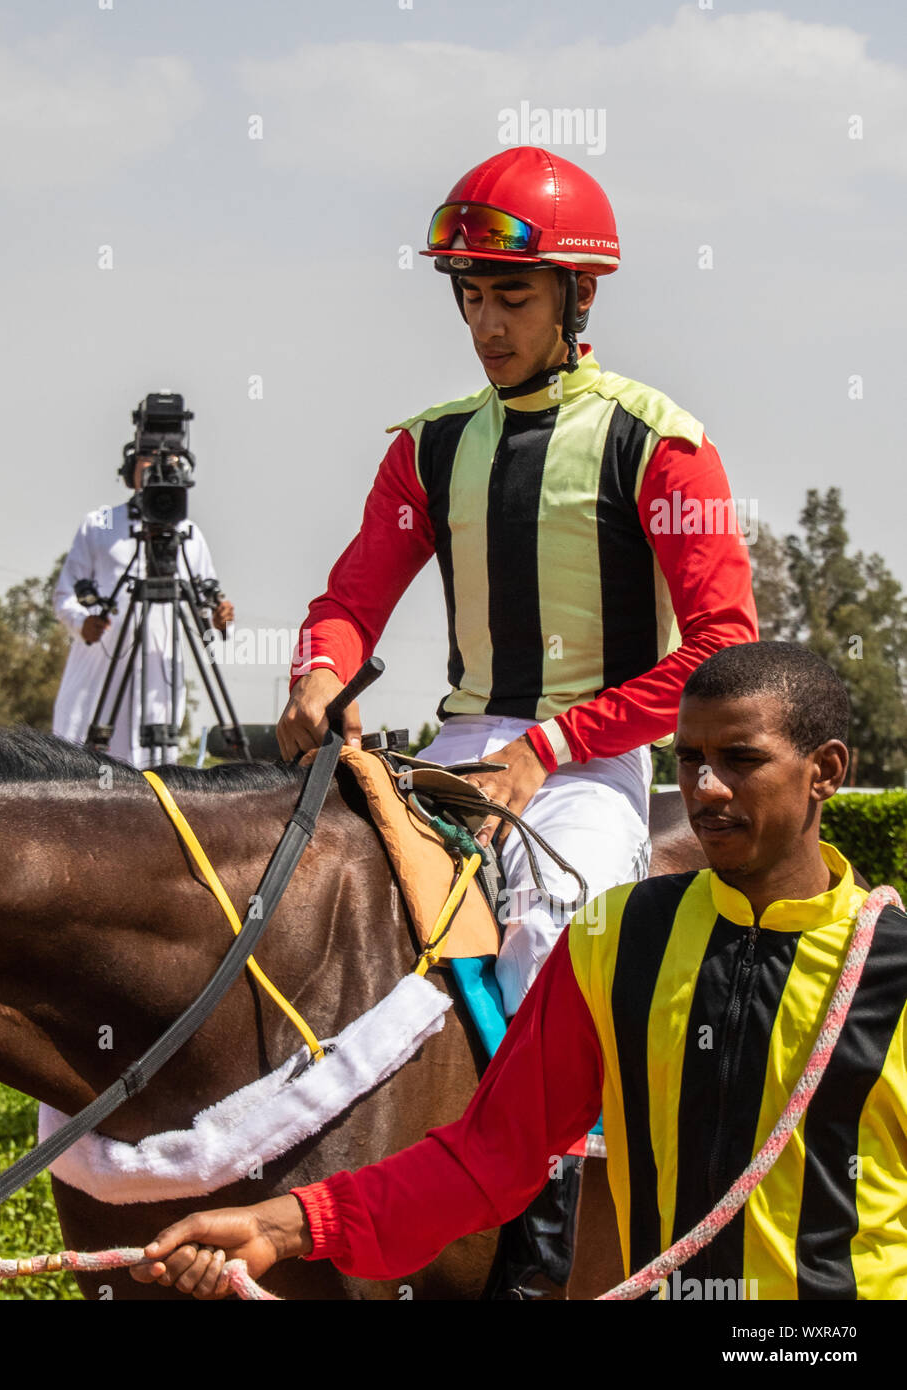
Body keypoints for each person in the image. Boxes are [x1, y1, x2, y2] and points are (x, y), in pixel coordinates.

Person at [275, 144, 758, 1293]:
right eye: (472, 298)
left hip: (592, 766)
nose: (486, 324)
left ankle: (542, 1247)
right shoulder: (426, 443)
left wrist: (550, 744)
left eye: (513, 297)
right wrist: (316, 671)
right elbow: (351, 597)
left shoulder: (661, 440)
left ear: (576, 298)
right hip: (451, 744)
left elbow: (722, 646)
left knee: (554, 926)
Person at [131, 643, 907, 1299]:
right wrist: (281, 1225)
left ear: (826, 771)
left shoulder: (894, 968)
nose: (705, 790)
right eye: (690, 761)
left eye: (740, 761)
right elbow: (490, 1154)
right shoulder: (615, 936)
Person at [51, 448, 233, 768]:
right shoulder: (98, 525)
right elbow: (64, 595)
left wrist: (221, 619)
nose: (160, 464)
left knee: (154, 774)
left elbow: (210, 602)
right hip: (99, 675)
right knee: (81, 770)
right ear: (130, 469)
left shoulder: (190, 536)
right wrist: (83, 623)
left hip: (157, 680)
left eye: (170, 457)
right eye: (149, 455)